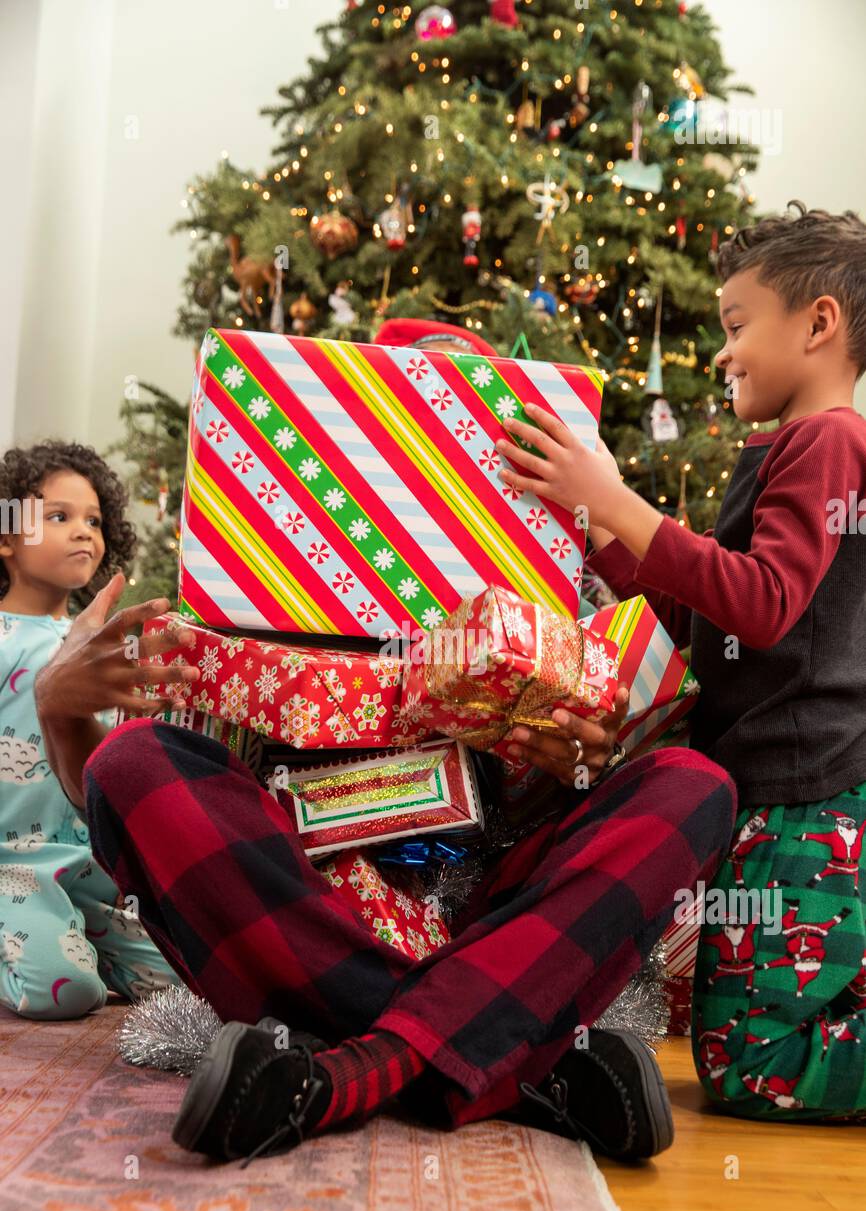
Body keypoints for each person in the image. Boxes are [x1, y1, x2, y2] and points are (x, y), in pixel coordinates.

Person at [34, 327, 737, 1164]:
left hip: (485, 917)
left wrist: (579, 761)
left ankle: (345, 1073)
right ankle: (513, 1066)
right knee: (134, 764)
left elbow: (590, 819)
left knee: (692, 786)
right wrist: (58, 712)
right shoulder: (248, 583)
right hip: (311, 917)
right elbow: (143, 815)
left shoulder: (560, 609)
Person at [497, 201, 866, 1121]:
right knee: (739, 1041)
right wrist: (593, 531)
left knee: (750, 1065)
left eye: (738, 326)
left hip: (811, 789)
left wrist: (618, 504)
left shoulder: (830, 440)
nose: (724, 351)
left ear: (819, 323)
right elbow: (697, 602)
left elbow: (763, 601)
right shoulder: (790, 449)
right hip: (775, 788)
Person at [0, 442, 193, 1019]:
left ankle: (70, 937)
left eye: (94, 520)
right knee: (65, 992)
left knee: (182, 986)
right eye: (59, 517)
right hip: (11, 863)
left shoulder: (100, 647)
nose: (84, 531)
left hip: (87, 862)